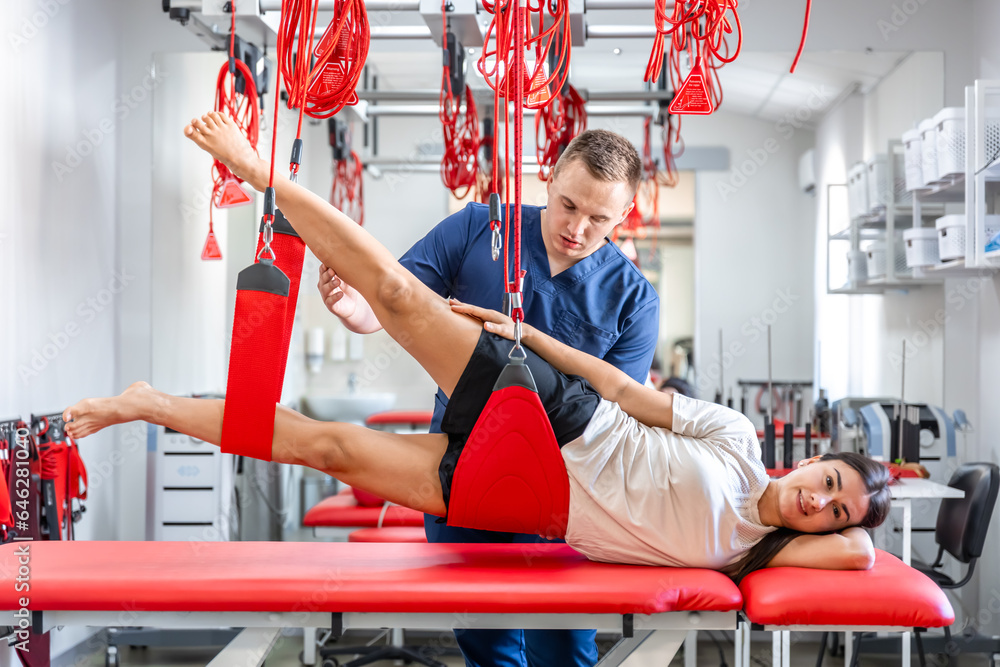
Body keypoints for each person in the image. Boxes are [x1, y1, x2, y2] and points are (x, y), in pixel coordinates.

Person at [66, 112, 890, 586]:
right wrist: (526, 335)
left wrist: (853, 501)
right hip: (563, 418)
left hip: (539, 503)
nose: (823, 500)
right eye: (828, 479)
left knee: (325, 447)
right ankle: (260, 176)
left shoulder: (760, 551)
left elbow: (857, 547)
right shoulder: (742, 443)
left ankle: (144, 402)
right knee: (396, 294)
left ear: (622, 222)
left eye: (837, 503)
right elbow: (622, 391)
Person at [317, 128, 659, 664]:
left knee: (564, 641)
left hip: (565, 492)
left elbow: (616, 421)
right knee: (483, 637)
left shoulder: (633, 300)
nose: (577, 228)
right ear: (549, 178)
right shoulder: (481, 228)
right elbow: (391, 302)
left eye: (600, 219)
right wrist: (350, 310)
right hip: (463, 465)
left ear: (626, 213)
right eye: (568, 205)